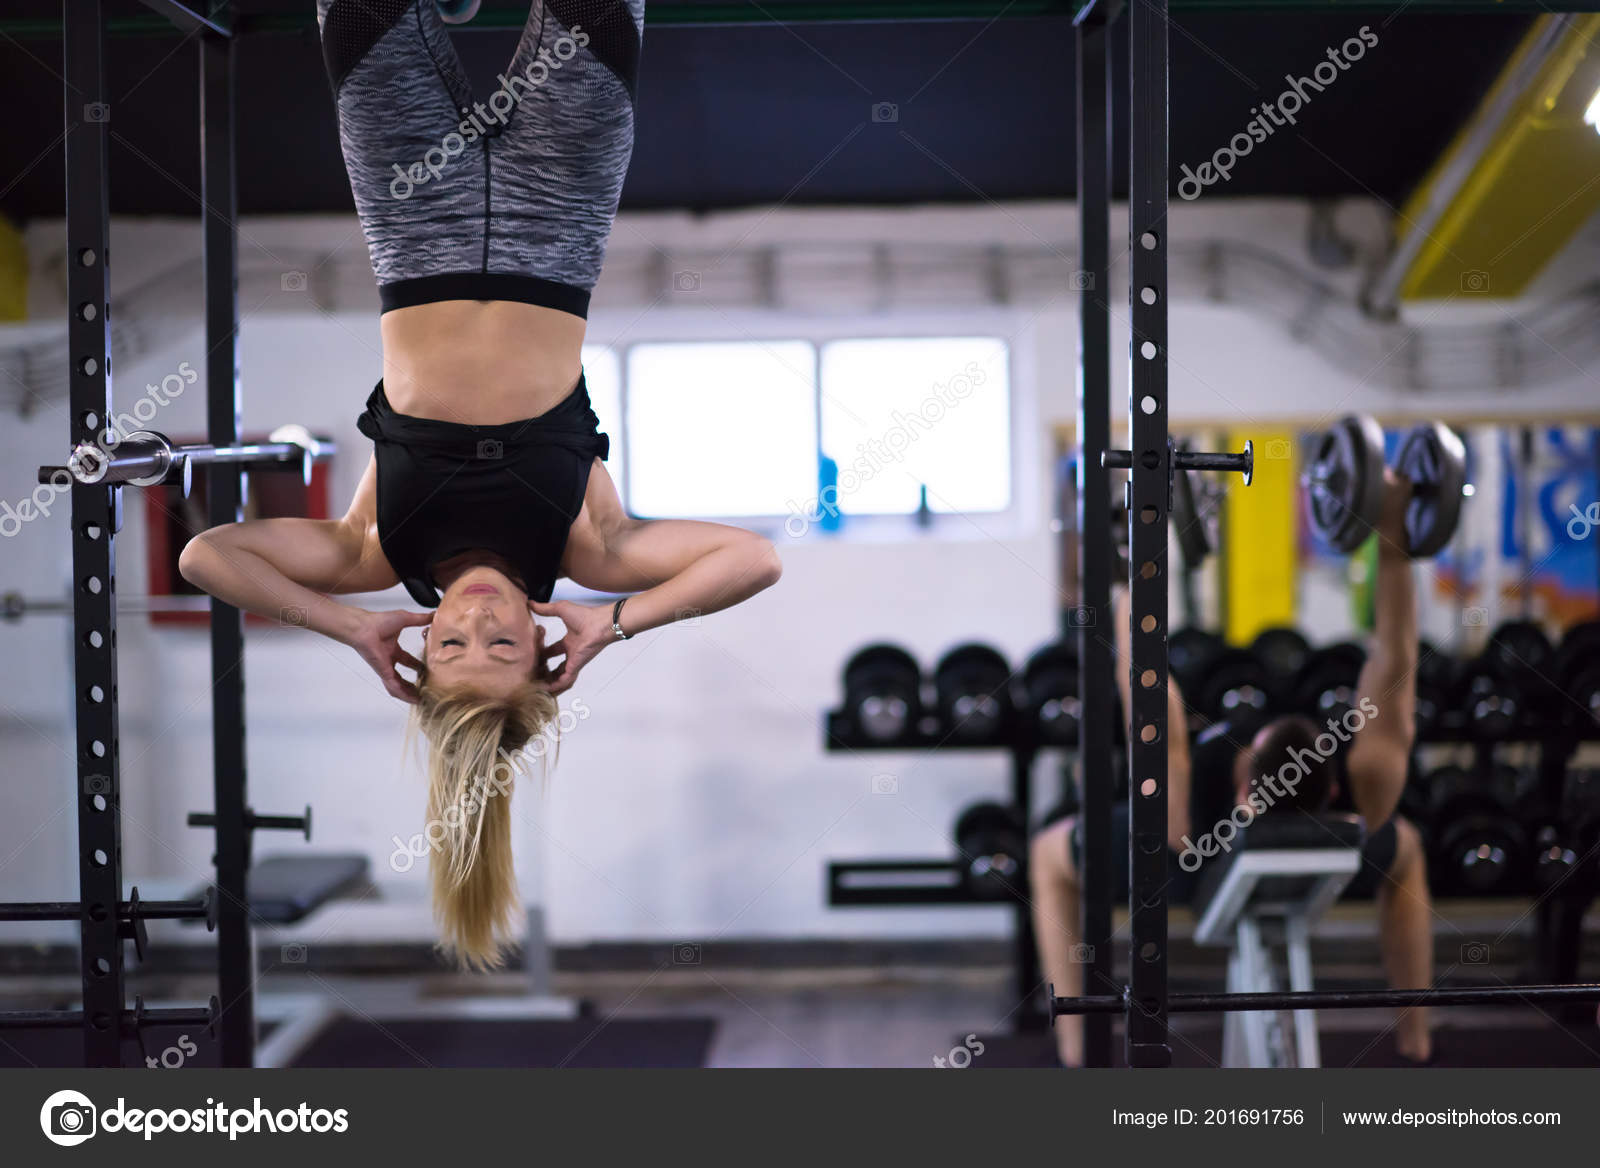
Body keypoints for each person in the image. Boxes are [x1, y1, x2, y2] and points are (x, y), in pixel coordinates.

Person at [180, 0, 781, 969]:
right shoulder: (586, 546)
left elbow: (206, 554)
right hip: (559, 208)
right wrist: (616, 622)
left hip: (412, 221)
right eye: (503, 642)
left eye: (450, 641)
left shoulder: (377, 550)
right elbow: (753, 558)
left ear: (420, 643)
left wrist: (351, 627)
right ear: (546, 646)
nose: (478, 615)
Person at [1029, 470, 1433, 1066]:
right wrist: (1394, 535)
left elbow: (1142, 673)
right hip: (1326, 861)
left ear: (1245, 784)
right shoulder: (1363, 797)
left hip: (1182, 862)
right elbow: (1395, 656)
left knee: (1048, 855)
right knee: (1408, 849)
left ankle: (1073, 1049)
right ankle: (1416, 1038)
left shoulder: (1186, 805)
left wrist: (1135, 552)